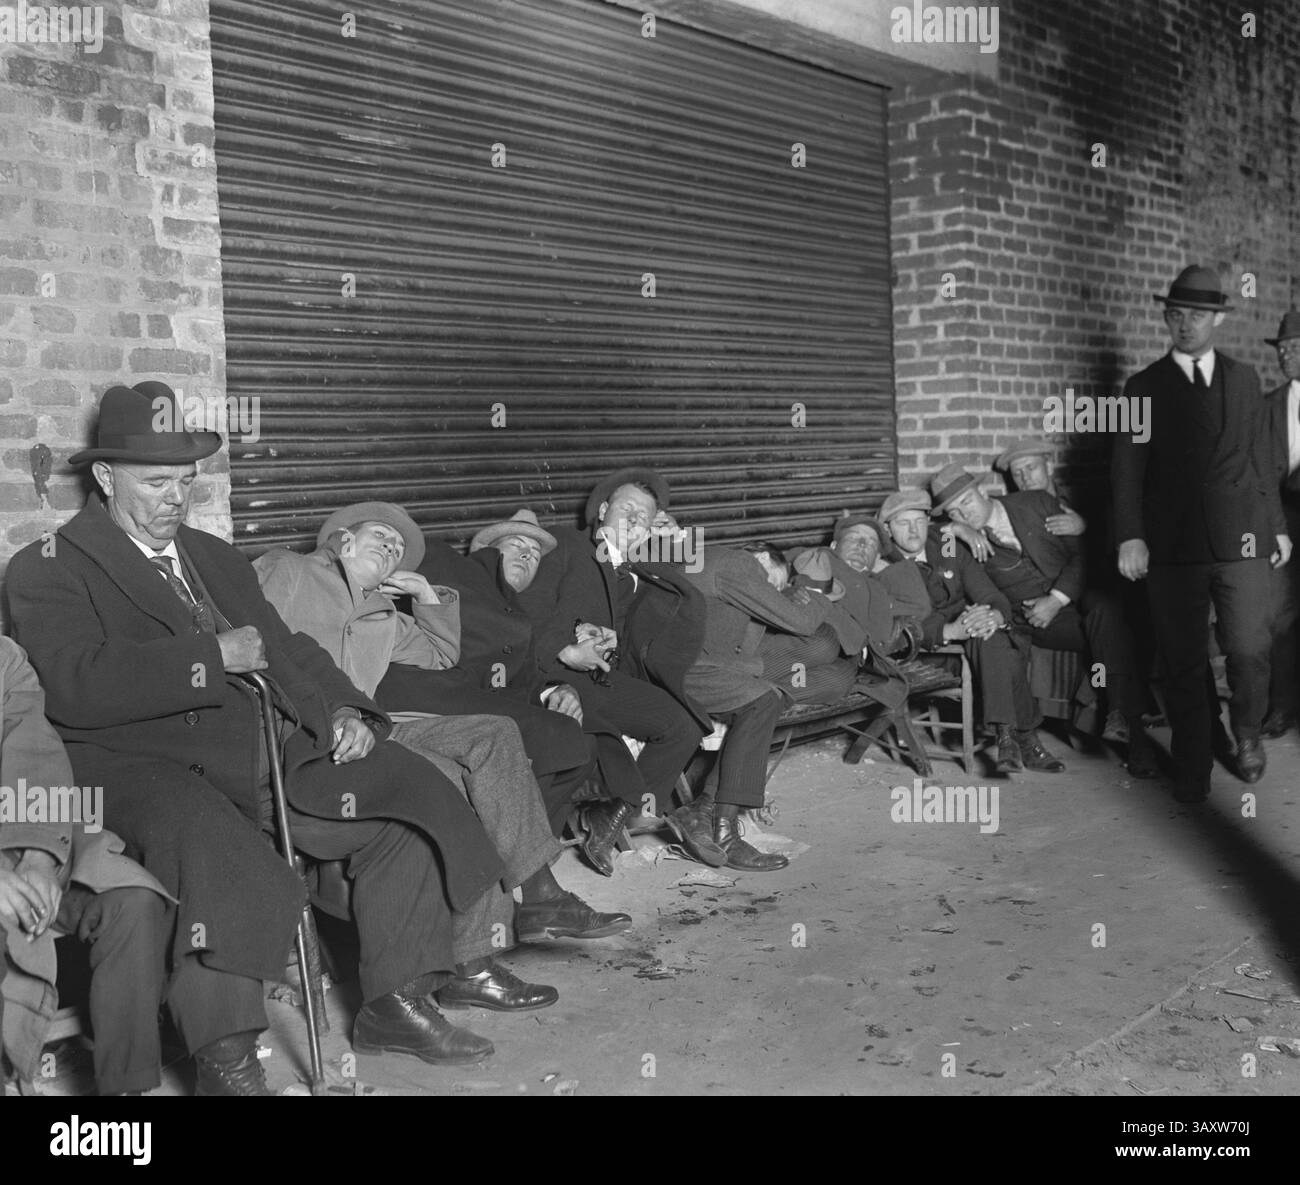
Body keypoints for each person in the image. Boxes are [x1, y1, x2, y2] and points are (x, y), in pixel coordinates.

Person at [8, 381, 510, 1093]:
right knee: (224, 855)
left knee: (404, 792)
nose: (174, 498)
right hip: (137, 765)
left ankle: (397, 999)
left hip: (256, 749)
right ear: (105, 477)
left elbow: (285, 644)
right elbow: (73, 684)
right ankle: (227, 1060)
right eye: (155, 482)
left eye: (185, 480)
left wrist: (344, 709)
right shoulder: (46, 567)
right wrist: (210, 659)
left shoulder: (212, 555)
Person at [255, 502, 629, 963]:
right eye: (380, 537)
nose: (392, 548)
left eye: (397, 549)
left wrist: (425, 593)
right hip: (302, 738)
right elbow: (257, 642)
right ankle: (474, 962)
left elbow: (440, 654)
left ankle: (540, 895)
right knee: (448, 776)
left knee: (495, 735)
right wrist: (331, 710)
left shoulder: (382, 614)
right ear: (343, 539)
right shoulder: (288, 570)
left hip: (368, 734)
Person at [1114, 266, 1290, 802]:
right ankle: (1194, 760)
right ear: (1167, 319)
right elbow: (1127, 469)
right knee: (1184, 657)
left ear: (1216, 319)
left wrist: (1277, 528)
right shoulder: (1143, 387)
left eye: (1196, 315)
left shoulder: (1243, 380)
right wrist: (1130, 535)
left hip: (1241, 541)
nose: (1185, 324)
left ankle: (1247, 732)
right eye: (1175, 314)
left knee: (1250, 649)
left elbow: (1261, 462)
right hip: (1173, 548)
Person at [375, 510, 608, 874]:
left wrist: (555, 693)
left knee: (580, 742)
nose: (528, 554)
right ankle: (506, 869)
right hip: (419, 692)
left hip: (478, 704)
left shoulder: (519, 617)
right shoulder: (442, 559)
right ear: (485, 547)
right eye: (516, 544)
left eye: (534, 554)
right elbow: (379, 562)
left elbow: (524, 687)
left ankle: (503, 860)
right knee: (557, 735)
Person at [1, 637, 171, 1096]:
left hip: (26, 835)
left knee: (131, 902)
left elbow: (35, 758)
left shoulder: (5, 659)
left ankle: (124, 1092)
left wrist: (38, 857)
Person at [516, 468, 710, 838]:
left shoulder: (638, 569)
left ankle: (616, 813)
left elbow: (687, 582)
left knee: (683, 726)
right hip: (557, 673)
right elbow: (527, 607)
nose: (635, 518)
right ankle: (598, 808)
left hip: (606, 679)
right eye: (627, 508)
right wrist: (565, 650)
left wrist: (675, 537)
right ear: (603, 509)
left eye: (645, 515)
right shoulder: (565, 544)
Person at [932, 463, 1156, 773]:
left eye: (967, 502)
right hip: (1032, 623)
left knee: (1108, 613)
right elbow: (917, 537)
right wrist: (954, 529)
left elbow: (1082, 554)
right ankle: (1122, 732)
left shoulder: (1035, 502)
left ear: (983, 491)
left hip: (1071, 602)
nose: (965, 514)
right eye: (954, 512)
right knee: (1111, 639)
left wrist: (1057, 598)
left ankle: (1119, 716)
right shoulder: (962, 539)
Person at [880, 488, 1067, 775]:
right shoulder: (884, 564)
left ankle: (1006, 738)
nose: (913, 530)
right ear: (887, 529)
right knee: (1002, 648)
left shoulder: (943, 544)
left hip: (973, 633)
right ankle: (1023, 738)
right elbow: (897, 625)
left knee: (991, 635)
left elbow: (990, 594)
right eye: (902, 523)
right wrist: (950, 631)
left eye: (919, 520)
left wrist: (992, 614)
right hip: (930, 650)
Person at [671, 541, 834, 871]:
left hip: (683, 667)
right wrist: (818, 596)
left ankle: (704, 811)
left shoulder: (713, 565)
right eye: (774, 583)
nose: (771, 593)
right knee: (763, 701)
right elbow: (802, 623)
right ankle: (723, 832)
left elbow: (735, 656)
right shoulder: (738, 565)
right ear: (762, 558)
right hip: (679, 672)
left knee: (766, 697)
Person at [1262, 311, 1300, 738]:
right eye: (1283, 349)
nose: (1286, 355)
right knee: (1282, 614)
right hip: (1284, 517)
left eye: (1295, 348)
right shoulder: (1270, 404)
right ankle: (1280, 706)